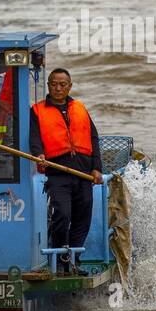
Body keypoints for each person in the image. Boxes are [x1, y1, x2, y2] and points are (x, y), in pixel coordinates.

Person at [30, 69, 103, 275]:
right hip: (58, 172)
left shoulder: (79, 107)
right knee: (62, 213)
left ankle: (73, 260)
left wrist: (97, 168)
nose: (58, 88)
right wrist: (39, 154)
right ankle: (61, 259)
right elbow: (34, 138)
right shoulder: (37, 110)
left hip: (83, 173)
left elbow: (94, 139)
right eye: (54, 84)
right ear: (48, 85)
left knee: (83, 215)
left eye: (63, 84)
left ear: (69, 86)